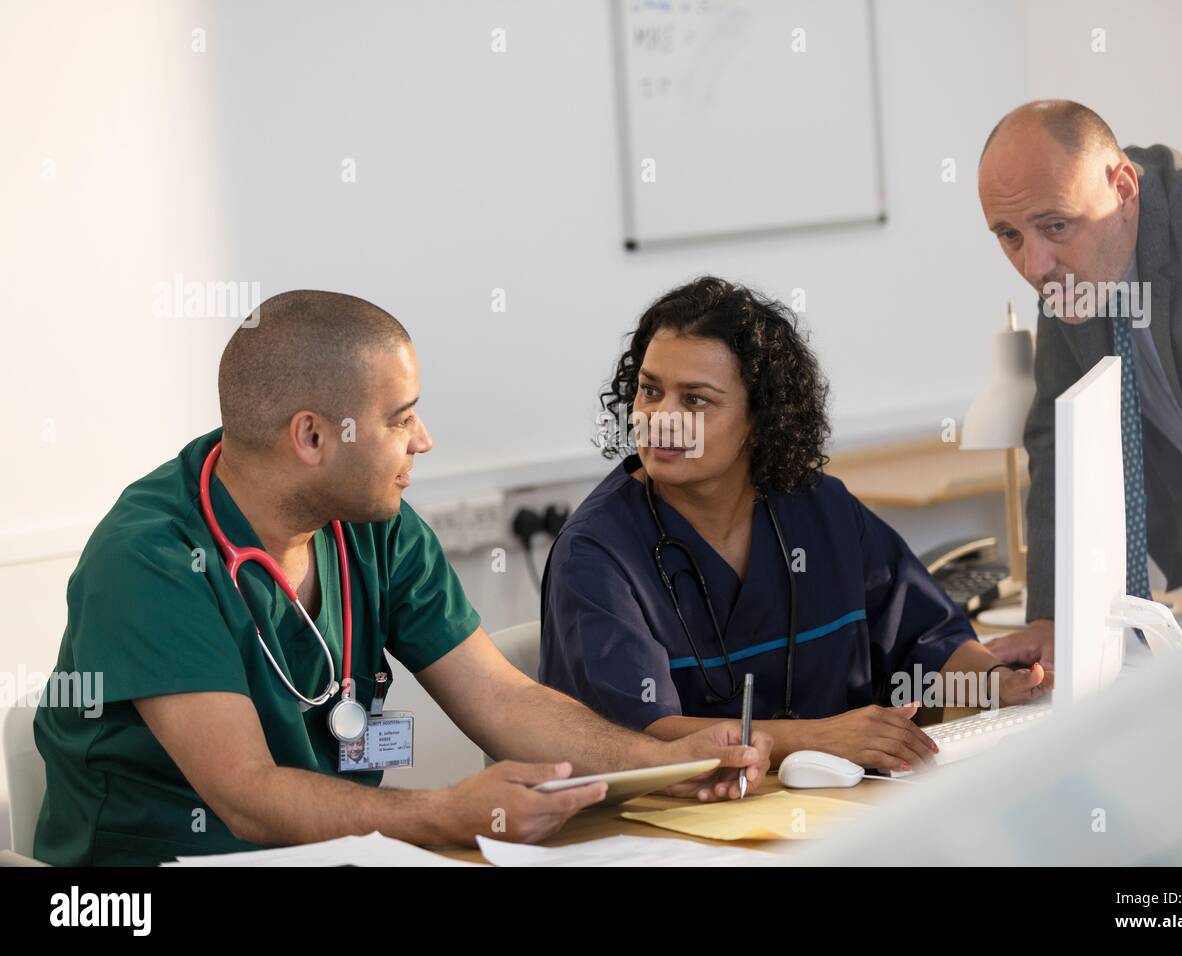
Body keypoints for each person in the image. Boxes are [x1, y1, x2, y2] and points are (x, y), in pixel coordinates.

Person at [33, 290, 771, 866]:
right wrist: (446, 812)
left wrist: (663, 763)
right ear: (314, 436)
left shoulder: (372, 523)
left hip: (341, 856)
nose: (424, 440)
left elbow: (499, 697)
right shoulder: (152, 558)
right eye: (401, 419)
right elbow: (249, 801)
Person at [540, 277, 1050, 773]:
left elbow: (925, 641)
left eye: (695, 400)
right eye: (650, 392)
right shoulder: (595, 554)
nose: (661, 418)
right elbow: (634, 742)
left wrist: (994, 683)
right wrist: (820, 738)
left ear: (761, 418)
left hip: (840, 811)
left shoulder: (821, 511)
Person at [977, 101, 1182, 667]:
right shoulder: (1071, 275)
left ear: (1123, 188)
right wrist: (1055, 616)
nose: (1034, 265)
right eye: (1009, 235)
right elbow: (1058, 444)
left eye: (1055, 224)